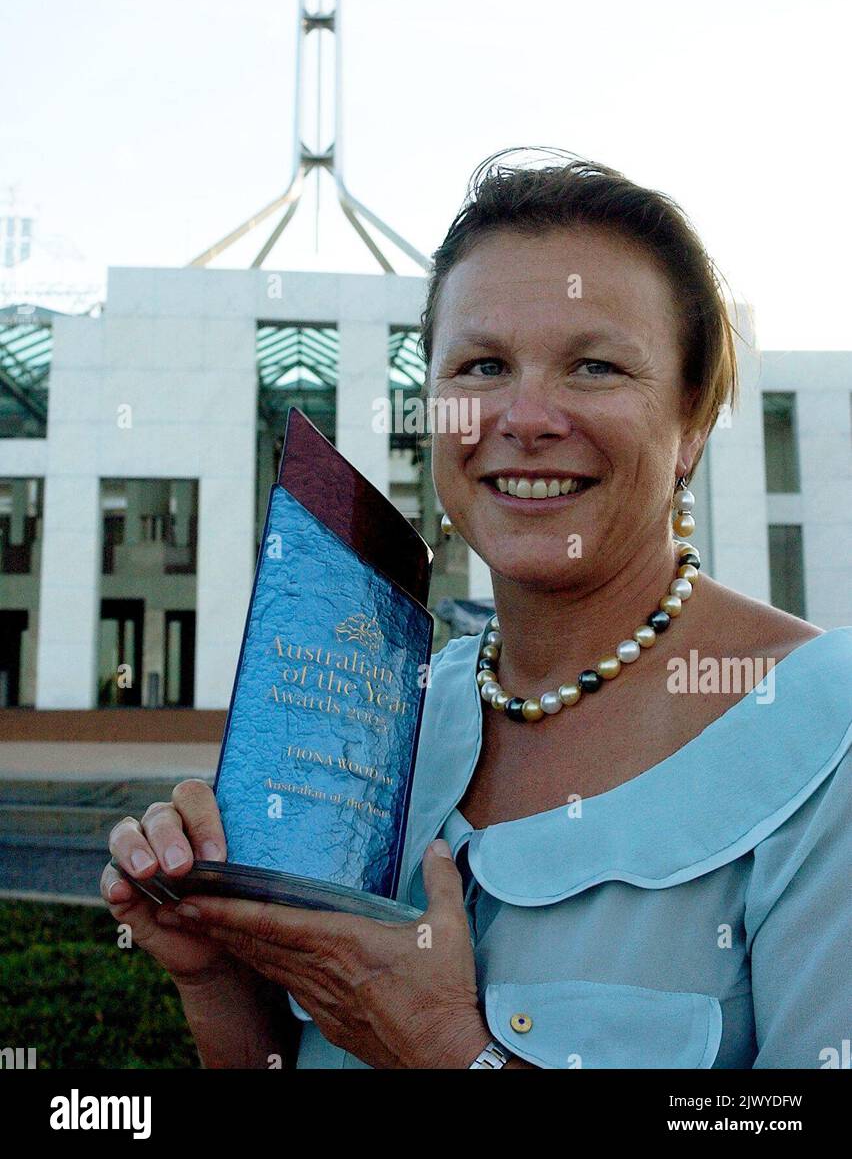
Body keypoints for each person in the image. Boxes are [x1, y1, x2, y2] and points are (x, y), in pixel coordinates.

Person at [101, 151, 852, 1069]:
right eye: (482, 364)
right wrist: (215, 974)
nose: (525, 416)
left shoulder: (826, 737)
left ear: (692, 421)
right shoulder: (389, 717)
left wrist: (448, 1051)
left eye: (596, 367)